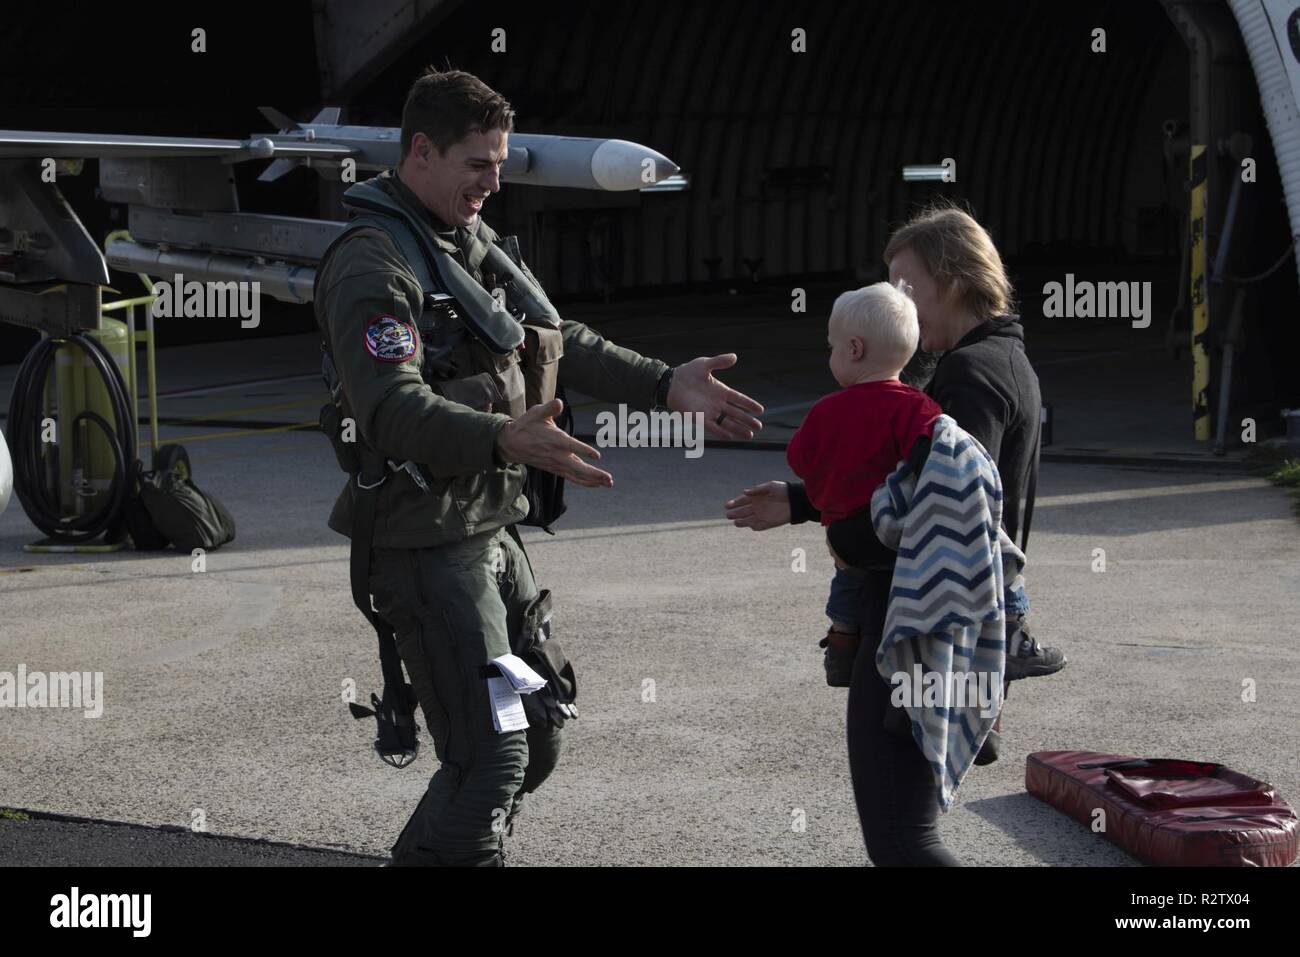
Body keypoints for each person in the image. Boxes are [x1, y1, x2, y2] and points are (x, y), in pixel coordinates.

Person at [316, 67, 764, 866]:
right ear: (421, 151)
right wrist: (499, 437)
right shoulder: (374, 263)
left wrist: (665, 382)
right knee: (492, 757)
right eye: (478, 163)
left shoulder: (463, 244)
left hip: (490, 529)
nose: (494, 181)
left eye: (501, 162)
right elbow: (388, 408)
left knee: (540, 732)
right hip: (425, 542)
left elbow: (559, 337)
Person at [725, 205, 1061, 864]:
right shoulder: (1006, 359)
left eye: (904, 286)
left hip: (916, 628)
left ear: (952, 278)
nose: (892, 303)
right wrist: (800, 503)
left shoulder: (970, 374)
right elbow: (908, 482)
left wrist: (845, 540)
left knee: (904, 842)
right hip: (950, 626)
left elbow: (945, 515)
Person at [784, 282, 941, 685]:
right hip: (898, 538)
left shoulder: (826, 410)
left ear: (854, 349)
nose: (831, 355)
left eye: (832, 347)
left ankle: (842, 641)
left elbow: (798, 459)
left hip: (845, 533)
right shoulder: (919, 406)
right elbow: (930, 455)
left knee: (847, 581)